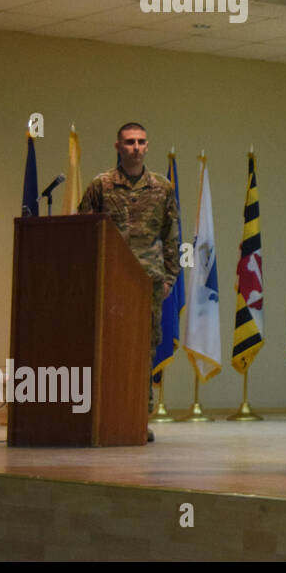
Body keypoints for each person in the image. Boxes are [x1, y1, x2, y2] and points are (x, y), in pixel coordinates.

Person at [79, 122, 180, 432]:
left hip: (147, 282)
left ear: (147, 147)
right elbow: (83, 230)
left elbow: (172, 235)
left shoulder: (162, 188)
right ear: (118, 147)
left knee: (143, 349)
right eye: (129, 142)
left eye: (141, 142)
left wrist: (169, 278)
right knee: (107, 346)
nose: (136, 147)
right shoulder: (102, 185)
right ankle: (106, 414)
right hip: (110, 280)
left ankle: (138, 417)